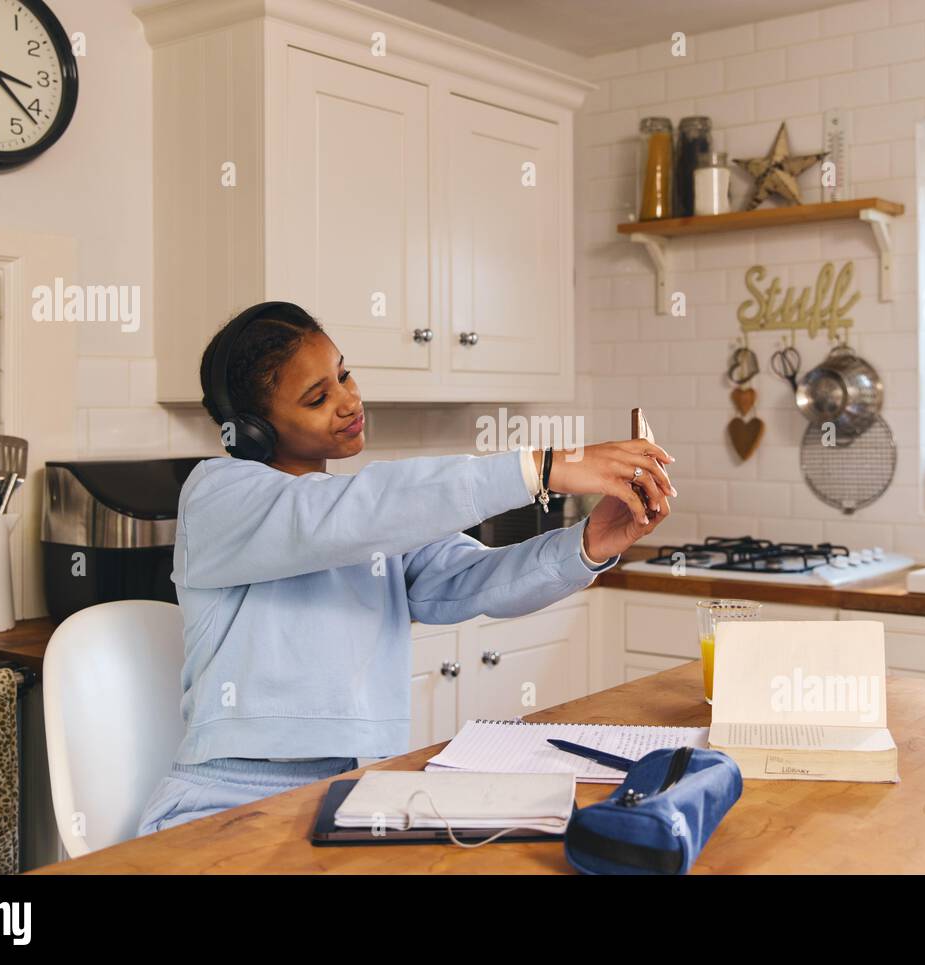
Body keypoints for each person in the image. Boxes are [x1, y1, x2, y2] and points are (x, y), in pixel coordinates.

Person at [135, 302, 675, 835]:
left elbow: (475, 580)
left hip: (363, 789)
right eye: (318, 397)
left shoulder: (367, 518)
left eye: (344, 374)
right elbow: (345, 516)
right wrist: (544, 467)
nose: (348, 400)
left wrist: (591, 543)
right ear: (255, 430)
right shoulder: (218, 496)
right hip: (228, 802)